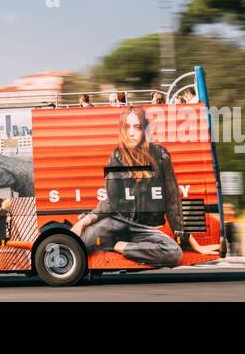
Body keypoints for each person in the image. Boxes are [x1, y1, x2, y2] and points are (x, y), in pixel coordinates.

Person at [70, 106, 219, 267]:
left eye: (137, 127)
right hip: (117, 221)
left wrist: (193, 244)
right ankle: (109, 241)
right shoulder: (116, 156)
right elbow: (111, 200)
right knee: (77, 243)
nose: (131, 133)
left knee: (174, 252)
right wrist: (85, 221)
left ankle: (118, 246)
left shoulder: (159, 154)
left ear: (145, 130)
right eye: (127, 127)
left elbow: (172, 201)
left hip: (142, 228)